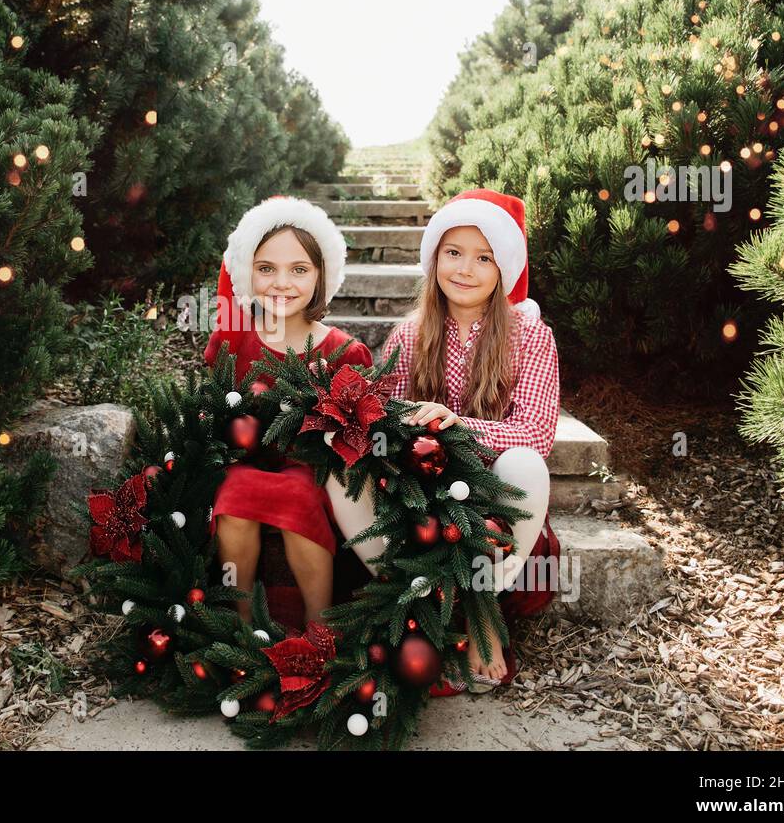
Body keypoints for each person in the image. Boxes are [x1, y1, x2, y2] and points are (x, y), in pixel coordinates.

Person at [381, 187, 561, 693]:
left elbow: (538, 433)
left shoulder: (529, 335)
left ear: (503, 268)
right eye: (453, 253)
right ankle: (422, 605)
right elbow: (385, 419)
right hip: (426, 487)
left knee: (525, 465)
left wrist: (459, 426)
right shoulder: (408, 335)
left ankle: (485, 606)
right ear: (434, 257)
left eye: (483, 258)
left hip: (492, 488)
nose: (465, 269)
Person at [204, 195, 373, 629]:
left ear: (321, 276)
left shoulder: (342, 350)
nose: (282, 282)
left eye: (299, 270)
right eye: (266, 269)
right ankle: (241, 626)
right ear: (248, 273)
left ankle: (319, 626)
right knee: (234, 496)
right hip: (248, 460)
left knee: (298, 497)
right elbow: (216, 406)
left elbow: (356, 433)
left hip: (313, 467)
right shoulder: (238, 342)